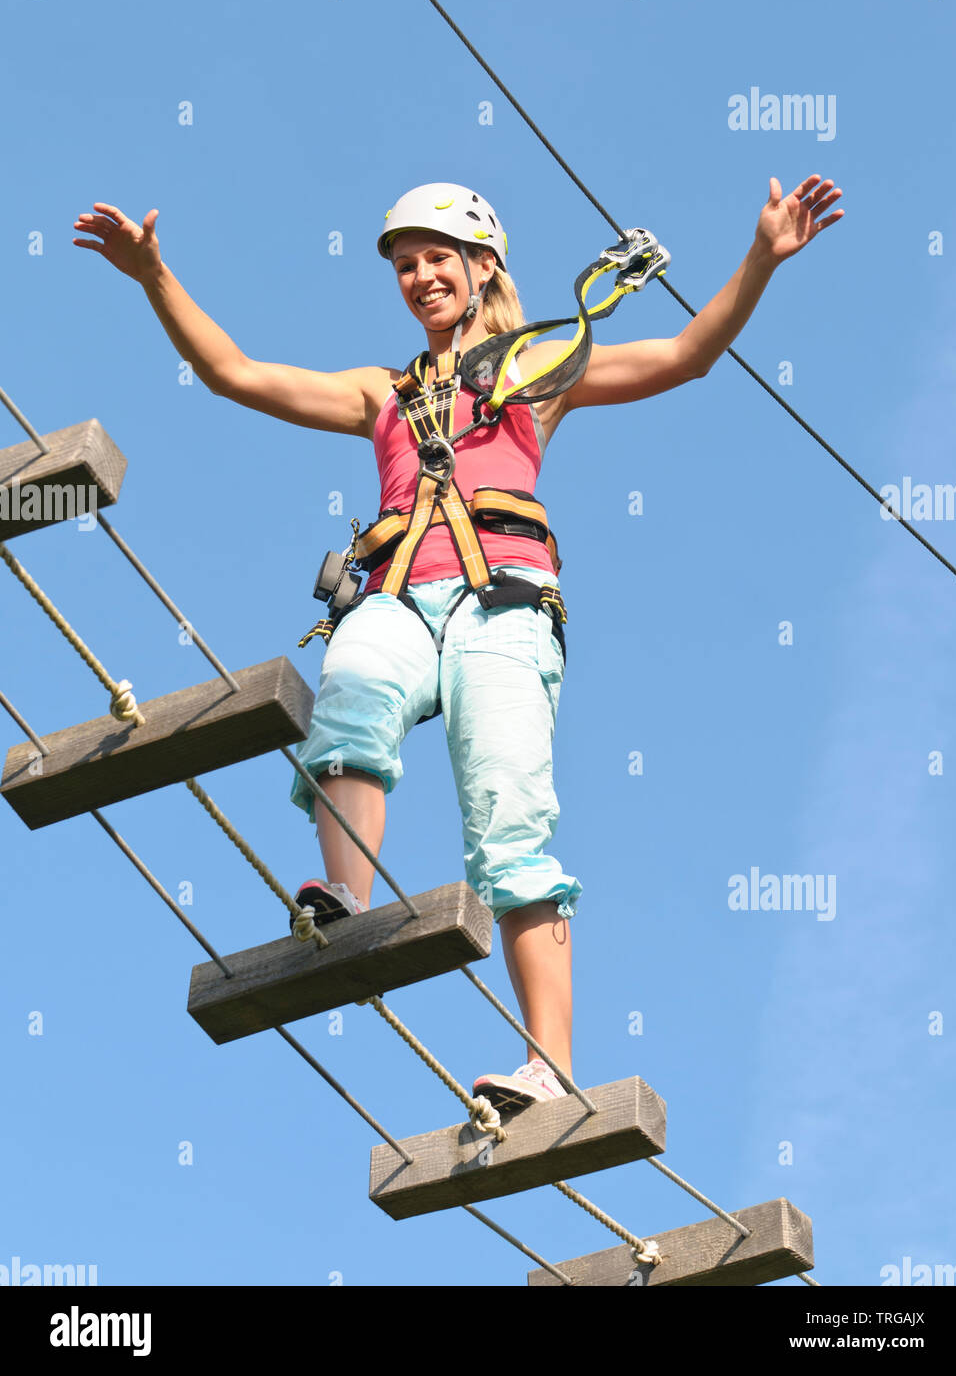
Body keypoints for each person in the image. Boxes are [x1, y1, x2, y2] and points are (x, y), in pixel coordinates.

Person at [72, 173, 843, 1109]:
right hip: (397, 595)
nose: (419, 275)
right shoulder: (381, 390)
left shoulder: (539, 368)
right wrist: (155, 276)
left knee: (510, 822)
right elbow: (240, 375)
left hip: (503, 605)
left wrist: (761, 257)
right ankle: (345, 900)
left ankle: (550, 1071)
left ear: (484, 267)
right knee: (350, 693)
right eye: (405, 264)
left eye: (437, 257)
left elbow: (684, 354)